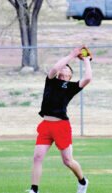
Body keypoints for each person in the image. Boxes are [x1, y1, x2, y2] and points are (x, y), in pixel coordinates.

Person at [28, 46, 92, 193]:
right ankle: (34, 189)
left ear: (70, 75)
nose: (63, 68)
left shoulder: (71, 86)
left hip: (61, 126)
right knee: (37, 157)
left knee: (67, 161)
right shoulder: (51, 80)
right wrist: (71, 55)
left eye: (67, 68)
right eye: (63, 67)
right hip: (46, 125)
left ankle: (83, 181)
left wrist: (87, 60)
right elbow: (55, 67)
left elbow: (88, 78)